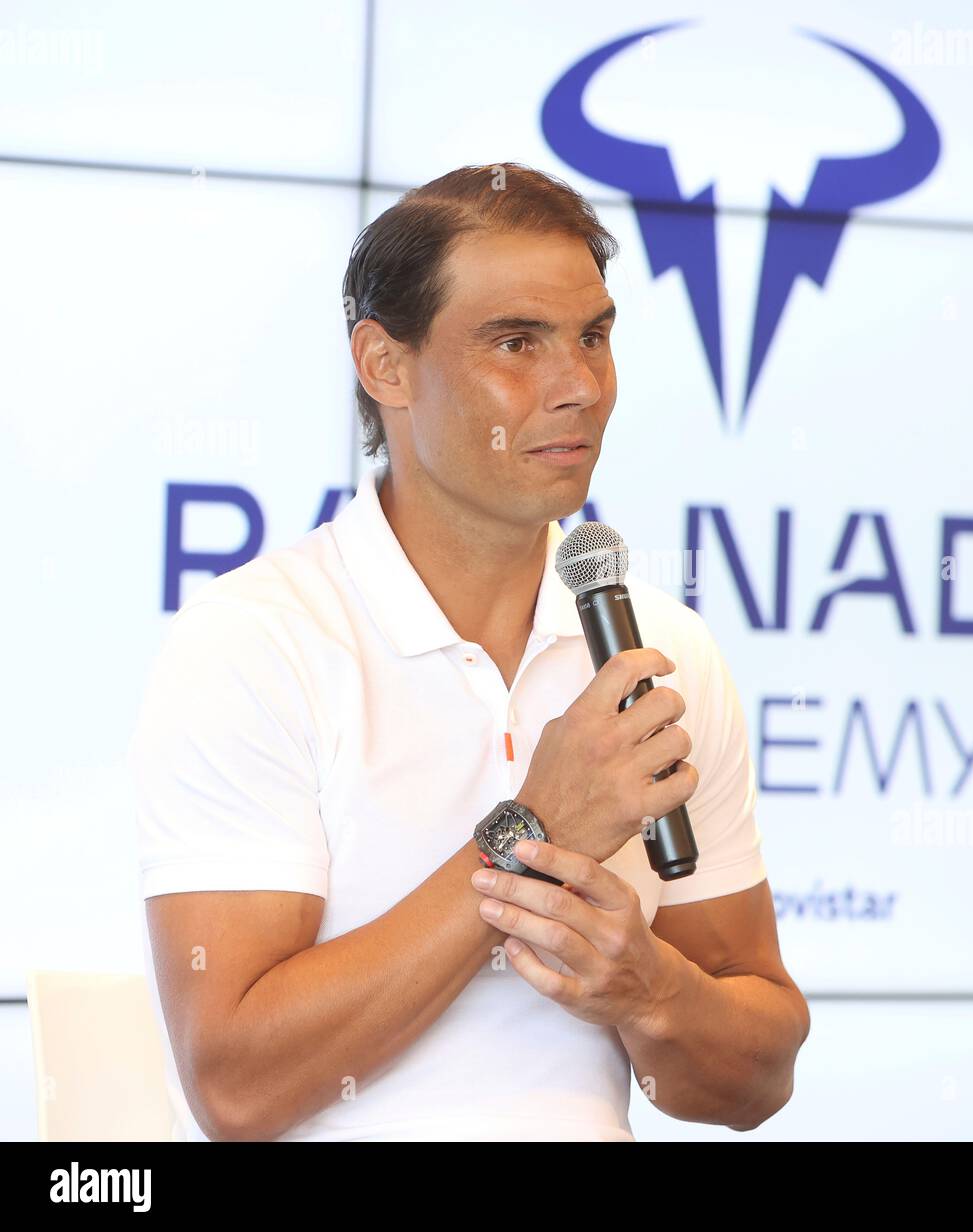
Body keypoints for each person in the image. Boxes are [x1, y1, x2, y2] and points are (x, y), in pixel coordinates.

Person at [128, 162, 810, 1142]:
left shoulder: (661, 652)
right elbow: (238, 1088)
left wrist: (651, 988)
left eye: (594, 335)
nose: (578, 386)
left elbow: (754, 1081)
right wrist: (535, 827)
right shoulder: (255, 640)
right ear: (384, 365)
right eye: (515, 342)